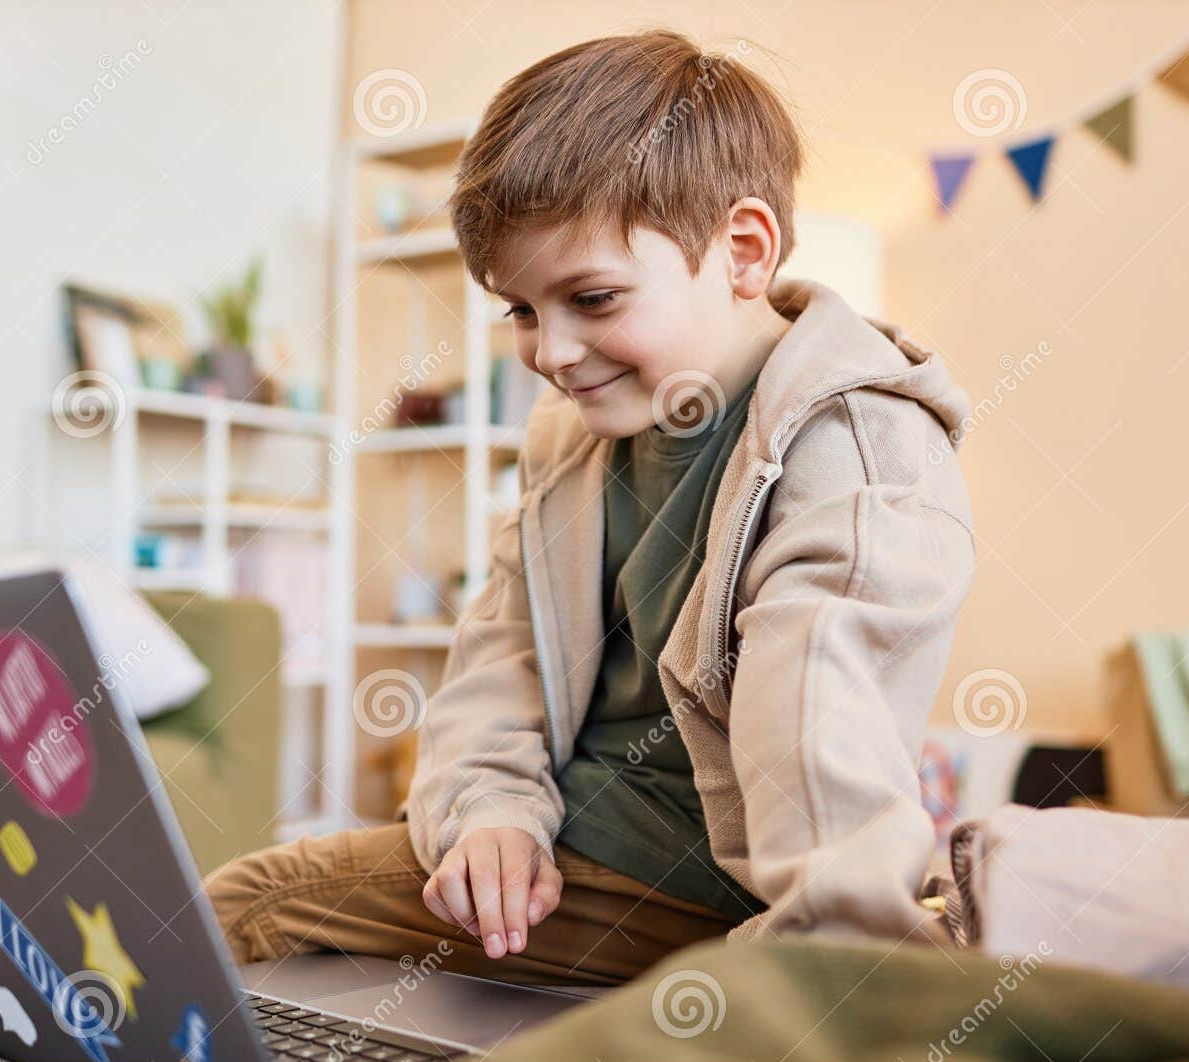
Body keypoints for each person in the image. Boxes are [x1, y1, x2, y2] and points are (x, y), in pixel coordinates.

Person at [205, 28, 976, 986]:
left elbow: (818, 744)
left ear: (743, 250)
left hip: (704, 889)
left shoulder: (855, 450)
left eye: (594, 299)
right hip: (560, 848)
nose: (554, 353)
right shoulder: (571, 435)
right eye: (522, 311)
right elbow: (501, 659)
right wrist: (487, 811)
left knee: (251, 904)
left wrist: (822, 974)